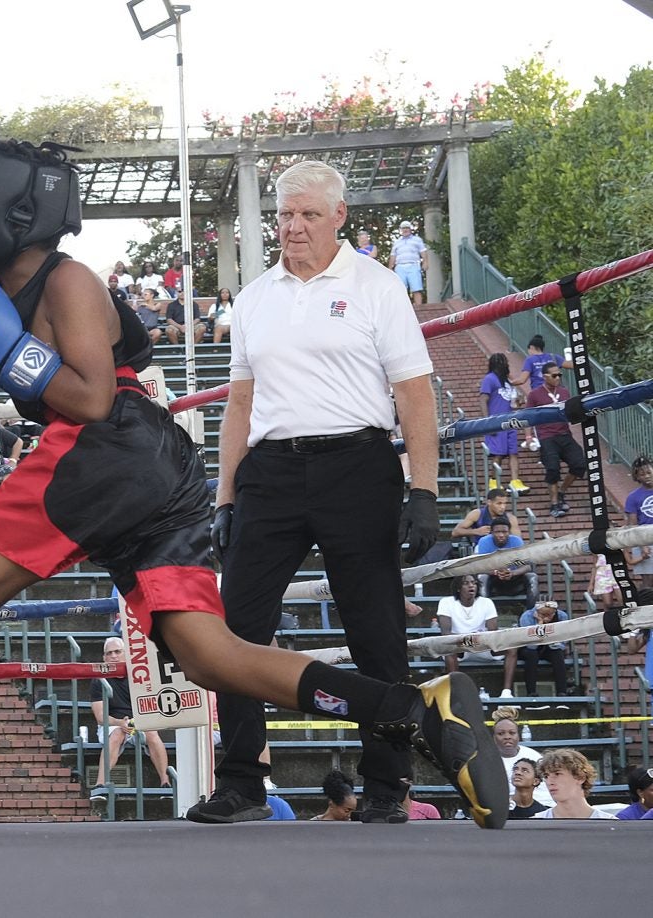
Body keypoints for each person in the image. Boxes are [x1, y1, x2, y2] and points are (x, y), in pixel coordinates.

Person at [0, 142, 505, 832]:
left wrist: (4, 352)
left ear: (12, 211)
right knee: (211, 656)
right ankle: (413, 710)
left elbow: (86, 398)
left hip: (109, 444)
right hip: (156, 467)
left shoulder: (69, 282)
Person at [200, 159, 447, 826]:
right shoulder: (253, 298)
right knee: (234, 628)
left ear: (340, 217)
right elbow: (239, 405)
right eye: (284, 215)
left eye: (308, 214)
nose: (294, 226)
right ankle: (243, 781)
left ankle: (388, 785)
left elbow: (414, 394)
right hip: (270, 473)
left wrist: (422, 491)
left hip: (357, 464)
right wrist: (225, 496)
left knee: (375, 628)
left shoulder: (377, 285)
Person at [88, 636, 170, 797]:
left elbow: (151, 705)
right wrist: (121, 723)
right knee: (118, 733)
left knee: (152, 733)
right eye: (109, 653)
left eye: (117, 651)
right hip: (113, 723)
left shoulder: (140, 676)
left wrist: (138, 722)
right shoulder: (98, 680)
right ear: (104, 658)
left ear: (127, 654)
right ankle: (100, 784)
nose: (113, 656)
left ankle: (165, 782)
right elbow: (100, 717)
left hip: (139, 720)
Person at [526, 361, 586, 518]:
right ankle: (554, 503)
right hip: (547, 437)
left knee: (580, 463)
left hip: (564, 434)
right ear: (545, 377)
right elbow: (528, 417)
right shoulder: (534, 394)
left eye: (560, 374)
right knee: (552, 468)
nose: (558, 378)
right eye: (554, 375)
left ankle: (561, 492)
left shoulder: (564, 392)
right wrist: (529, 436)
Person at [478, 353, 529, 495]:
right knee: (498, 454)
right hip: (497, 422)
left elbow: (513, 401)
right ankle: (494, 482)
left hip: (510, 422)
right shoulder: (489, 379)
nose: (506, 365)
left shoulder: (507, 382)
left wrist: (519, 401)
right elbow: (483, 400)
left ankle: (515, 481)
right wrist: (487, 422)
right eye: (504, 362)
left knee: (513, 453)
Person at [436, 574, 502, 678]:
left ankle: (506, 691)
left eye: (474, 583)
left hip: (483, 645)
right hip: (459, 648)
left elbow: (493, 631)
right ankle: (455, 689)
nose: (471, 586)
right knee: (448, 648)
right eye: (466, 583)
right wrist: (468, 639)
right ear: (458, 588)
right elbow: (445, 633)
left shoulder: (487, 602)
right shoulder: (446, 602)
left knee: (512, 648)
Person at [473, 516, 538, 614]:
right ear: (491, 532)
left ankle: (531, 614)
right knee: (482, 577)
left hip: (513, 579)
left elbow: (527, 566)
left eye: (504, 532)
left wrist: (512, 573)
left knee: (532, 577)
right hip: (493, 581)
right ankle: (483, 615)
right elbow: (480, 567)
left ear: (509, 532)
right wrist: (496, 572)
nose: (501, 535)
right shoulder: (484, 542)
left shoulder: (516, 541)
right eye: (497, 532)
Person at [491, 706, 553, 809]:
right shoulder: (485, 760)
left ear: (518, 735)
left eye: (512, 733)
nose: (507, 737)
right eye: (501, 733)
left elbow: (544, 793)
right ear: (494, 738)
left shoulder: (533, 757)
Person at [533, 748, 618, 819]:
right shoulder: (536, 823)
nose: (549, 782)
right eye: (546, 776)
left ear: (580, 777)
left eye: (557, 774)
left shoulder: (608, 823)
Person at [515, 597, 570, 696]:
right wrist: (540, 623)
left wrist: (553, 643)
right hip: (529, 647)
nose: (547, 618)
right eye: (543, 615)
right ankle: (531, 693)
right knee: (532, 655)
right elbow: (530, 644)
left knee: (557, 654)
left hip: (551, 646)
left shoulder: (562, 616)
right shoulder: (526, 617)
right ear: (536, 611)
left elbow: (563, 641)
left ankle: (562, 692)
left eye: (550, 615)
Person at [625, 456, 653, 590]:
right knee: (648, 582)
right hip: (644, 539)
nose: (647, 476)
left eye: (649, 472)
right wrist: (642, 546)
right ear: (637, 476)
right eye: (642, 474)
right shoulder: (633, 497)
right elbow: (633, 524)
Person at [387, 220, 426, 307]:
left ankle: (419, 308)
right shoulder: (397, 242)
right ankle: (404, 308)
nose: (405, 230)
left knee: (416, 288)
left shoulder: (417, 240)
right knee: (401, 289)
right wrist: (390, 268)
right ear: (401, 230)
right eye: (403, 228)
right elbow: (393, 256)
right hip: (400, 267)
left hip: (414, 265)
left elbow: (423, 252)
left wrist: (425, 262)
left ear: (410, 229)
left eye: (407, 228)